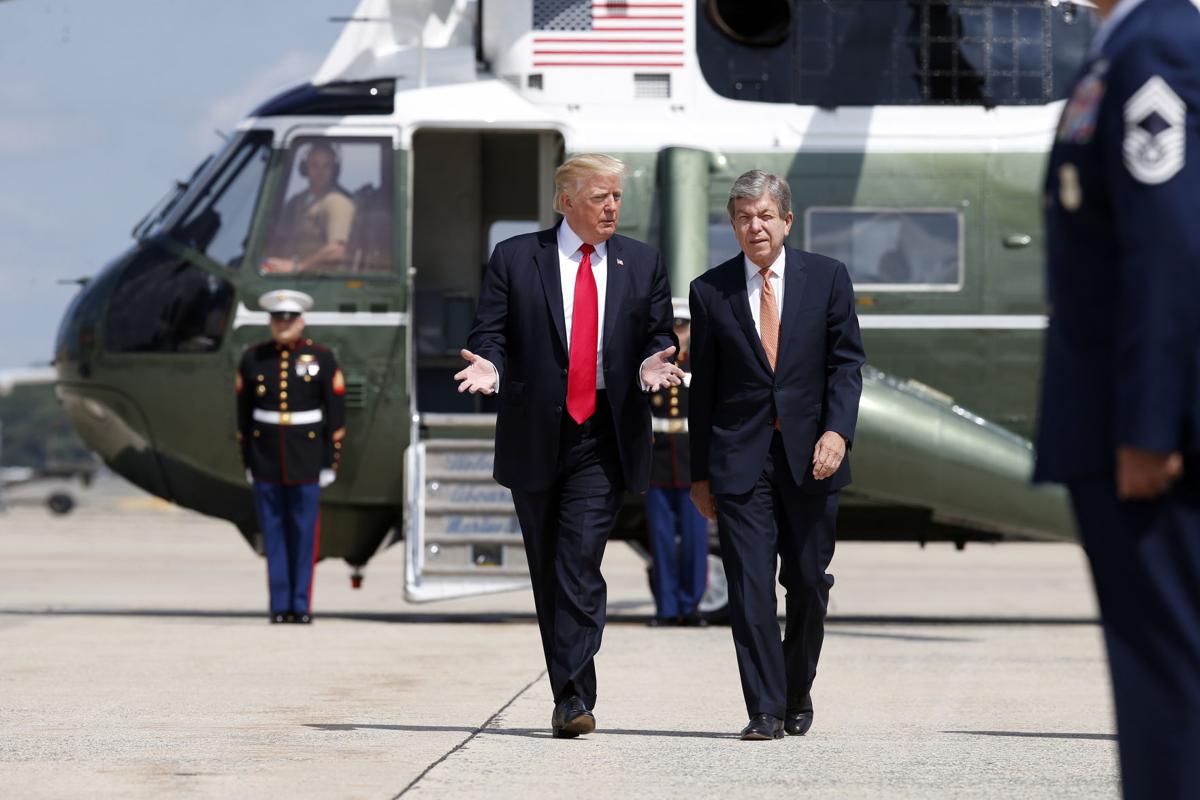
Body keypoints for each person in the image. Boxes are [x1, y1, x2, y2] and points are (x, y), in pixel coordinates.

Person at [455, 153, 682, 738]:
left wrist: (655, 361)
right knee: (547, 569)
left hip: (603, 431)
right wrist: (492, 368)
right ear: (567, 202)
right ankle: (567, 690)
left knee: (579, 561)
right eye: (601, 197)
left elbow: (658, 332)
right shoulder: (516, 257)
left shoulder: (643, 261)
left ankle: (575, 698)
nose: (612, 207)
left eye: (617, 198)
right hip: (535, 431)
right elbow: (490, 332)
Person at [1034, 2, 1200, 797]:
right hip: (1115, 420)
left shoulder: (1158, 41)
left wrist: (1149, 423)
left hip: (1141, 436)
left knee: (1165, 686)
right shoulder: (1117, 47)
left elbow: (1166, 242)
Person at [688, 170, 864, 741]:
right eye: (743, 217)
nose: (754, 226)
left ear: (787, 221)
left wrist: (837, 432)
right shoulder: (709, 291)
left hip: (812, 456)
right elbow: (704, 390)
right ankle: (763, 708)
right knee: (749, 586)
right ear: (732, 225)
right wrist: (698, 475)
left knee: (809, 580)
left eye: (765, 215)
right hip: (741, 461)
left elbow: (846, 365)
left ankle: (796, 688)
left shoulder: (827, 279)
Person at [236, 290, 346, 624]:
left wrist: (330, 461)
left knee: (304, 534)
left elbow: (335, 415)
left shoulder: (322, 358)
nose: (282, 325)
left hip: (307, 457)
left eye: (289, 319)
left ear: (301, 321)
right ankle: (279, 606)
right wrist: (248, 461)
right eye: (276, 319)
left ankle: (301, 605)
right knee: (273, 533)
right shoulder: (253, 358)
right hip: (267, 456)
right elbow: (243, 416)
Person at [646, 298, 709, 628]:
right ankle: (666, 608)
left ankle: (691, 606)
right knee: (661, 539)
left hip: (691, 464)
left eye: (682, 327)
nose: (677, 334)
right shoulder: (648, 366)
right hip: (657, 465)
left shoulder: (701, 364)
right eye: (673, 327)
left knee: (696, 542)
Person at [263, 142, 356, 273]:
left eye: (326, 166)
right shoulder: (296, 201)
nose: (320, 171)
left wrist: (299, 267)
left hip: (318, 282)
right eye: (314, 165)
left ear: (334, 170)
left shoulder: (337, 202)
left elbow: (336, 250)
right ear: (305, 168)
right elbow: (279, 237)